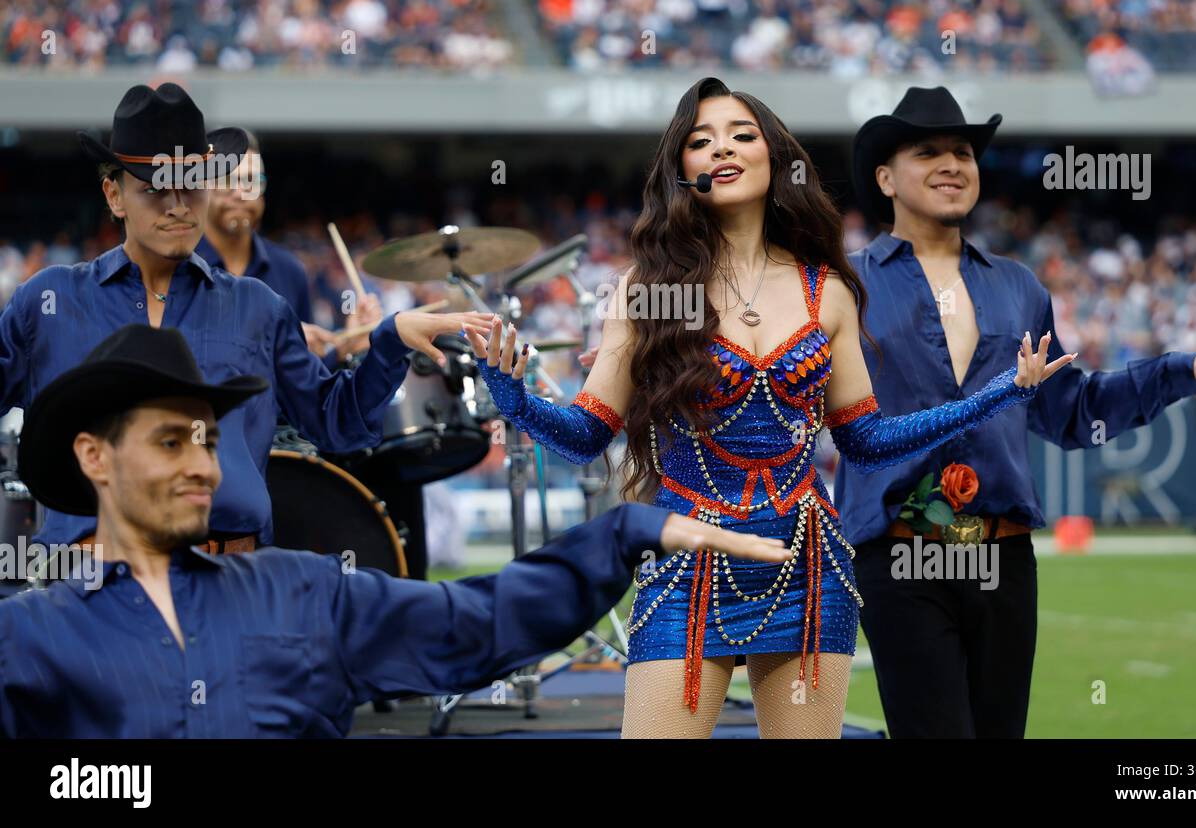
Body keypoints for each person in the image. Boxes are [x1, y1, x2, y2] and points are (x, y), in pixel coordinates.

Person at [465, 77, 1071, 739]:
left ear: (775, 156)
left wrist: (1001, 393)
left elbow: (865, 439)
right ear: (683, 169)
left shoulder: (828, 290)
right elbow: (586, 434)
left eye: (741, 134)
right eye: (700, 141)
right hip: (688, 564)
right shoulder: (646, 290)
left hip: (808, 566)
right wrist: (511, 393)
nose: (721, 149)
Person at [0, 324, 789, 738]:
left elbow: (481, 622)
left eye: (209, 440)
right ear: (94, 457)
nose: (206, 466)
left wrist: (629, 532)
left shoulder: (302, 590)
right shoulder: (27, 640)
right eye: (172, 441)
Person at [839, 85, 1196, 737]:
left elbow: (1072, 413)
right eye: (928, 151)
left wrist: (1181, 369)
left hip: (1004, 562)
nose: (952, 164)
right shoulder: (843, 284)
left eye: (963, 151)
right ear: (885, 177)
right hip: (902, 560)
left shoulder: (1019, 286)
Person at [0, 82, 494, 551]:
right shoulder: (48, 301)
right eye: (155, 187)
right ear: (114, 195)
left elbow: (336, 423)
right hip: (89, 591)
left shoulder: (259, 307)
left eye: (192, 184)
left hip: (229, 581)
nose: (177, 205)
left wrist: (390, 340)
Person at [196, 130, 382, 362]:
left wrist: (344, 350)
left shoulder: (289, 270)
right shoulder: (178, 266)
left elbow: (304, 376)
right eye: (225, 180)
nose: (240, 193)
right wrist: (278, 339)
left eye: (252, 181)